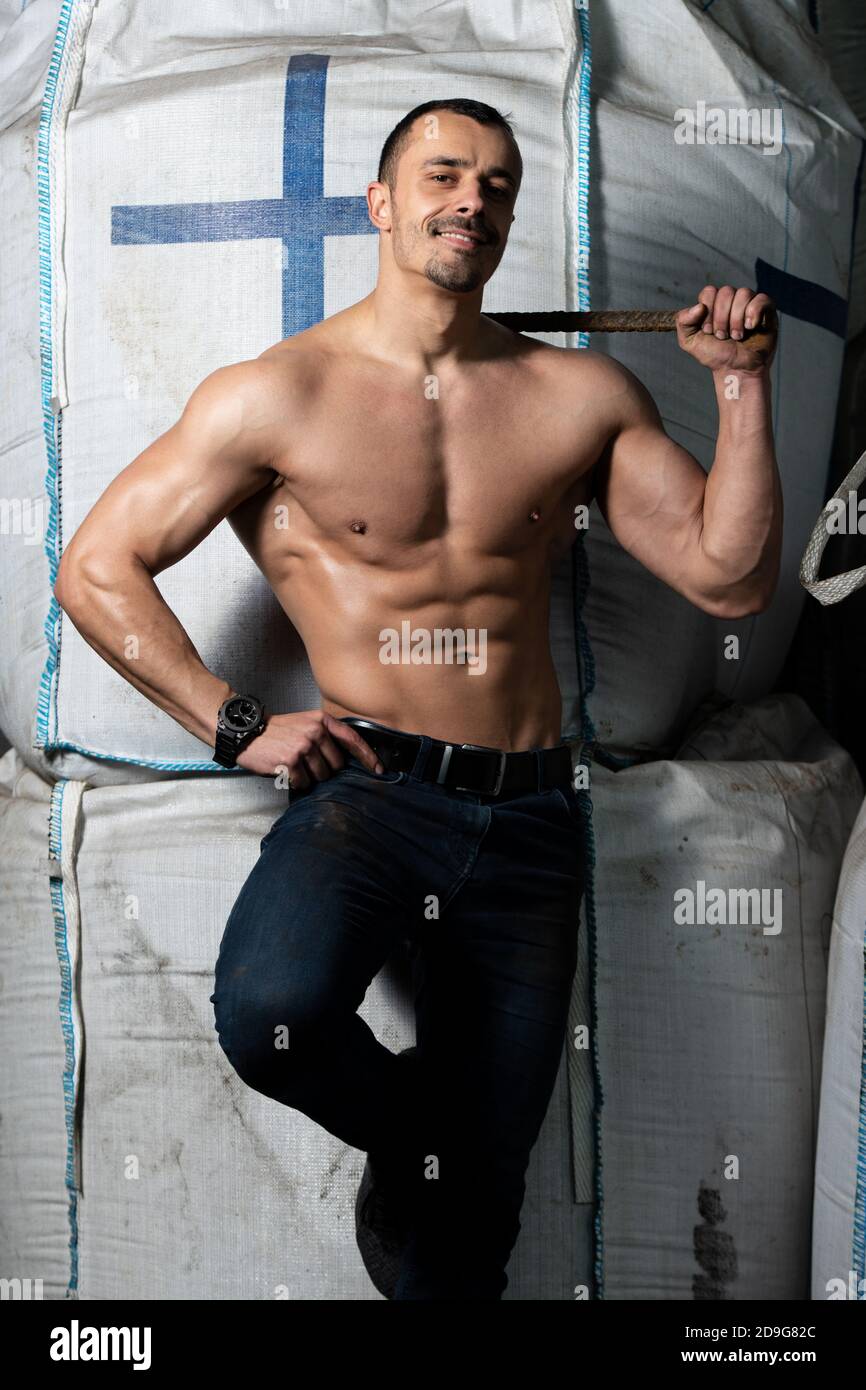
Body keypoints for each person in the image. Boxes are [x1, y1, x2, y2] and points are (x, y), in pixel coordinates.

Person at [53, 96, 781, 1300]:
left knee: (460, 1253)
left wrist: (742, 386)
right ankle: (426, 1140)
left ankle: (451, 1184)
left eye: (496, 185)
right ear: (382, 204)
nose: (471, 201)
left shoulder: (577, 396)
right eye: (443, 175)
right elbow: (94, 565)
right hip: (373, 790)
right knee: (271, 1009)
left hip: (533, 813)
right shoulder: (275, 394)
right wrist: (234, 721)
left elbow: (731, 574)